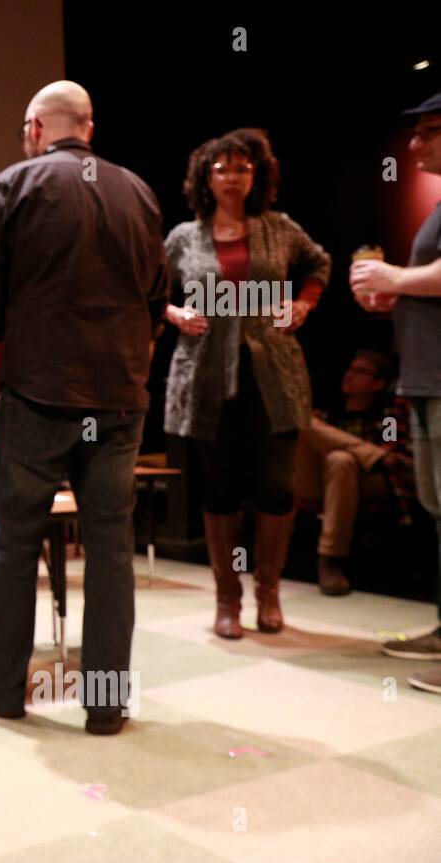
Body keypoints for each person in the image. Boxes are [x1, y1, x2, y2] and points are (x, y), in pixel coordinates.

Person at [0, 80, 168, 735]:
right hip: (121, 398)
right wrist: (132, 382)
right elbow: (155, 307)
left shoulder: (12, 185)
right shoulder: (141, 193)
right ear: (89, 129)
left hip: (39, 397)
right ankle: (104, 702)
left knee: (14, 544)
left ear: (35, 127)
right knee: (109, 549)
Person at [163, 127, 330, 639]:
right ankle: (227, 600)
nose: (231, 177)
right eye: (221, 168)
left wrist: (302, 304)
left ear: (257, 174)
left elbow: (319, 263)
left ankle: (270, 594)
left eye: (241, 167)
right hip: (207, 375)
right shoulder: (184, 238)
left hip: (273, 372)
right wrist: (174, 313)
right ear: (205, 178)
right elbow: (146, 291)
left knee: (277, 485)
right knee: (220, 488)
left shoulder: (278, 228)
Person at [351, 90, 441, 695]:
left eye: (429, 131)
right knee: (437, 507)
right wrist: (397, 294)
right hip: (428, 379)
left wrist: (394, 278)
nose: (413, 143)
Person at [294, 350, 413, 595]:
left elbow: (392, 455)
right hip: (322, 481)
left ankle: (330, 559)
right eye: (350, 369)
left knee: (341, 460)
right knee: (302, 419)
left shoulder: (386, 414)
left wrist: (354, 454)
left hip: (374, 480)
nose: (350, 375)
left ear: (378, 383)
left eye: (360, 372)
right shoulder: (329, 411)